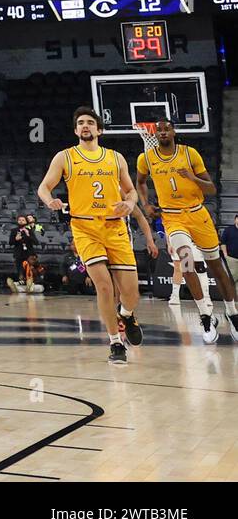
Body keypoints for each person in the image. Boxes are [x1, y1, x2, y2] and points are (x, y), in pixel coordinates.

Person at [38, 106, 156, 365]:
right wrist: (50, 201)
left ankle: (127, 314)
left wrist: (129, 202)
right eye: (80, 122)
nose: (85, 126)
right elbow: (44, 187)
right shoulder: (65, 157)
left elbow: (131, 191)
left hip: (115, 227)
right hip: (84, 227)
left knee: (131, 292)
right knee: (103, 285)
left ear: (99, 129)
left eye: (90, 122)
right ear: (75, 129)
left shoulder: (115, 158)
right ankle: (115, 342)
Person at [135, 120, 236, 342]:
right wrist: (145, 204)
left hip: (198, 214)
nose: (162, 132)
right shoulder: (146, 159)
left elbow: (211, 188)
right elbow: (140, 182)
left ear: (173, 132)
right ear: (155, 134)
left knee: (216, 266)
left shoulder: (190, 154)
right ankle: (206, 316)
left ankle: (232, 312)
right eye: (158, 129)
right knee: (186, 262)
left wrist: (192, 178)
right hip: (172, 217)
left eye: (166, 129)